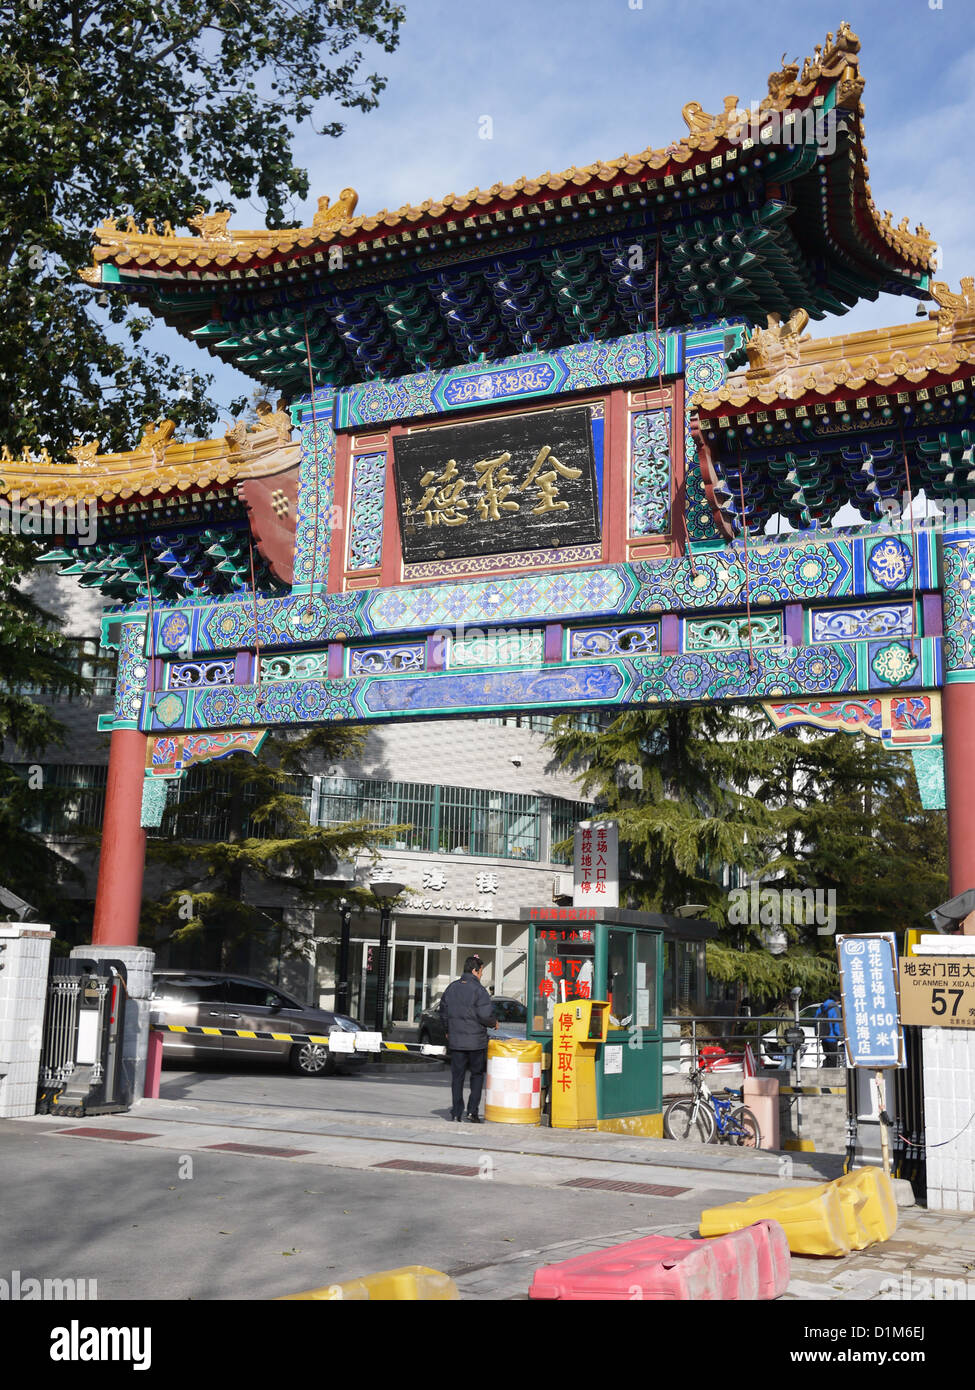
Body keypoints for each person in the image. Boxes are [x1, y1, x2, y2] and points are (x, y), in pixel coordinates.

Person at [439, 954, 498, 1122]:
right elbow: (485, 1014)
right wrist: (494, 1022)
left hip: (456, 1042)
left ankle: (456, 1112)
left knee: (457, 1078)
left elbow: (443, 1012)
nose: (481, 975)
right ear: (474, 970)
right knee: (477, 1076)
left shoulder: (452, 988)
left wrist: (447, 1030)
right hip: (476, 1043)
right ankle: (472, 1112)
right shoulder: (479, 990)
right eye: (481, 972)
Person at [816, 994, 843, 1066]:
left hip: (823, 1037)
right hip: (832, 1038)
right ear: (837, 1001)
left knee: (827, 1057)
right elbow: (837, 1024)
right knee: (833, 1059)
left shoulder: (821, 1007)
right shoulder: (835, 1008)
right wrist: (841, 1036)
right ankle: (832, 1075)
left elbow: (816, 1021)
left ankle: (825, 1074)